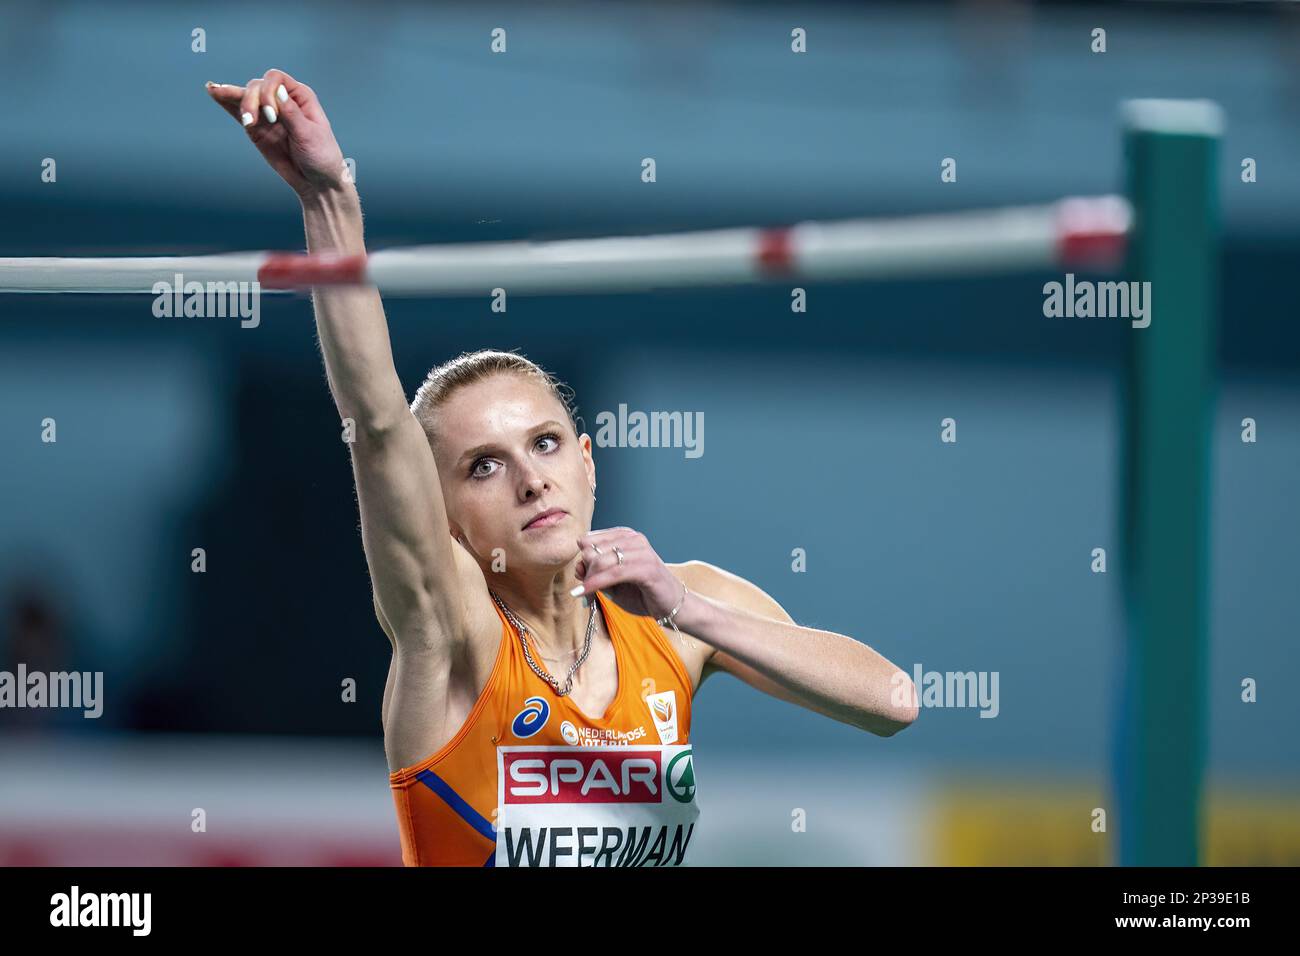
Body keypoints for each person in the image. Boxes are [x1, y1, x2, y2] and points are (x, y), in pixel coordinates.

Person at [206, 69, 918, 867]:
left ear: (587, 465)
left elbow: (893, 702)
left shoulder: (678, 620)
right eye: (483, 466)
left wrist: (689, 611)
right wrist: (328, 199)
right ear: (439, 518)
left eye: (545, 445)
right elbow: (376, 424)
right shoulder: (452, 636)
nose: (530, 480)